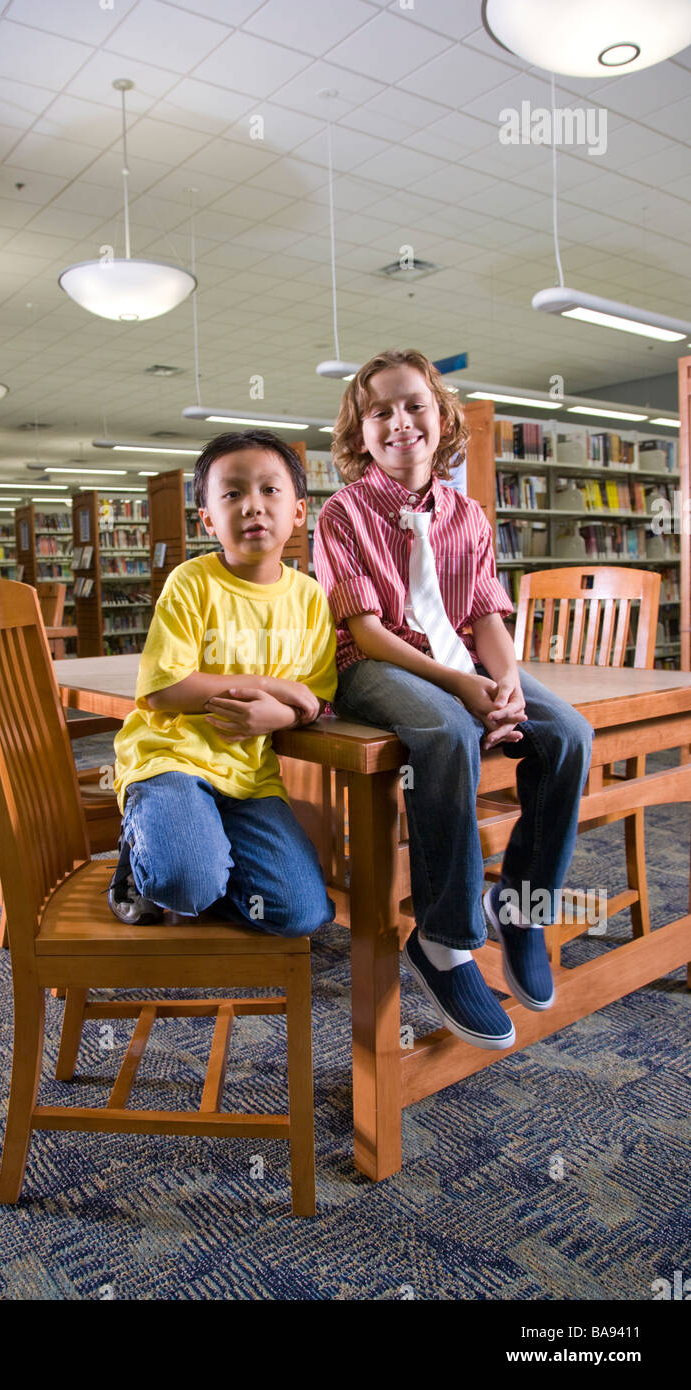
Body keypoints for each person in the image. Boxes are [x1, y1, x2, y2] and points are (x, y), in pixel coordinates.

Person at [313, 348, 594, 1050]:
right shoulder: (343, 513)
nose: (400, 422)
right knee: (446, 731)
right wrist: (464, 689)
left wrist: (500, 683)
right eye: (380, 412)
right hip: (378, 664)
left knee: (567, 733)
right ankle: (445, 940)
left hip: (458, 655)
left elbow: (485, 617)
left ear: (442, 419)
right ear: (359, 433)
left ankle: (521, 907)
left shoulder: (466, 515)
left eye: (415, 405)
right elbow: (368, 634)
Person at [109, 428, 337, 939]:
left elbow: (315, 695)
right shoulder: (191, 581)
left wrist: (283, 714)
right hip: (172, 760)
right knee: (185, 881)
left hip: (252, 776)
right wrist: (270, 687)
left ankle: (202, 865)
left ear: (300, 511)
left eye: (269, 490)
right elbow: (164, 690)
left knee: (303, 915)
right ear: (209, 519)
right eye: (232, 494)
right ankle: (141, 868)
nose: (252, 506)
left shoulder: (309, 597)